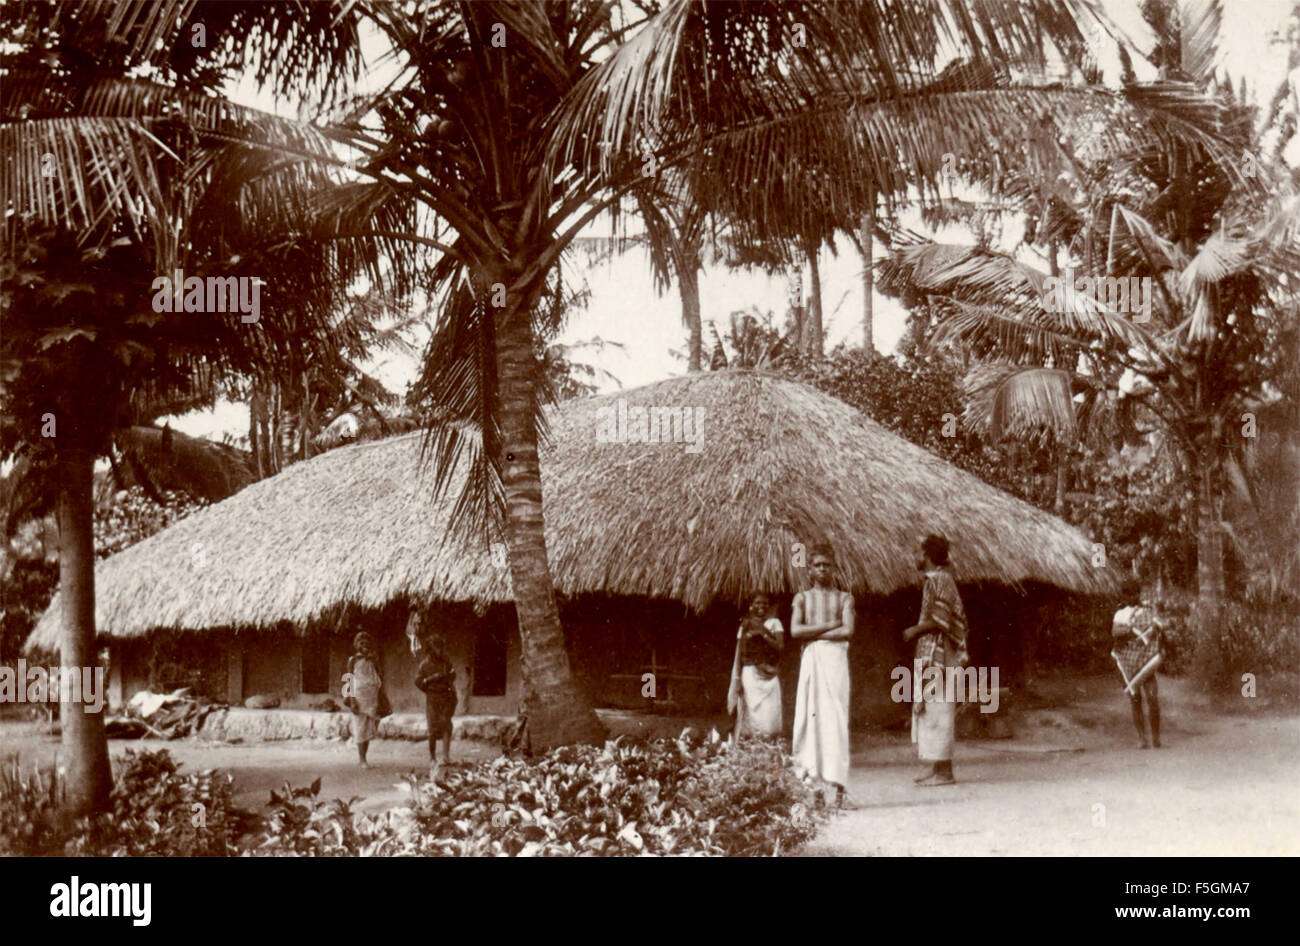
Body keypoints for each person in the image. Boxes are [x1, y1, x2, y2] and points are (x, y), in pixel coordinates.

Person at [791, 544, 856, 809]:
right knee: (810, 721)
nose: (822, 569)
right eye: (817, 565)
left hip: (835, 661)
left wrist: (813, 632)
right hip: (813, 661)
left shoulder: (845, 598)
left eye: (826, 565)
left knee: (836, 721)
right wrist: (831, 625)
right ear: (810, 569)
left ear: (833, 568)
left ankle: (839, 789)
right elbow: (796, 631)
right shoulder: (802, 598)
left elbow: (848, 631)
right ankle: (815, 790)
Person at [902, 533, 969, 787]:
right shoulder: (937, 580)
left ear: (928, 556)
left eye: (920, 552)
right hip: (934, 652)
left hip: (942, 654)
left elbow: (941, 619)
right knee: (932, 710)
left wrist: (914, 630)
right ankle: (936, 766)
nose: (917, 557)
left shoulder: (940, 580)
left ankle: (945, 773)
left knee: (940, 711)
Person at [1111, 578, 1163, 749]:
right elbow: (1115, 632)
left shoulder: (1148, 611)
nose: (1131, 597)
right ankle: (1142, 738)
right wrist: (1132, 629)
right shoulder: (1120, 614)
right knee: (1135, 699)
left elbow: (1157, 628)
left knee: (1152, 698)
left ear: (1138, 594)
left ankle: (1155, 738)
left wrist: (1144, 631)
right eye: (1127, 594)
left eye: (1134, 593)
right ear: (1124, 596)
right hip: (1129, 661)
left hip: (1146, 659)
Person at [726, 593, 784, 741]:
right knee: (751, 709)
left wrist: (761, 634)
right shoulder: (745, 625)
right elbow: (740, 652)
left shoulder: (775, 623)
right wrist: (737, 676)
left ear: (769, 606)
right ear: (751, 605)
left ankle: (769, 744)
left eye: (765, 603)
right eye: (757, 603)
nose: (761, 606)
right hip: (750, 671)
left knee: (770, 711)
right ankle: (752, 745)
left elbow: (779, 646)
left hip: (768, 672)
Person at [409, 612, 457, 772]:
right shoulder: (425, 665)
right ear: (431, 648)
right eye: (438, 647)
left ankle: (446, 755)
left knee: (446, 725)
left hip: (446, 696)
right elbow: (418, 682)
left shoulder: (446, 661)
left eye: (441, 647)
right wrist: (431, 680)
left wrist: (447, 676)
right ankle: (432, 757)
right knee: (432, 728)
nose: (440, 650)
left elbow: (453, 674)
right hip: (433, 698)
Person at [341, 631, 384, 768]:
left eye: (367, 642)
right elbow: (349, 679)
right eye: (361, 642)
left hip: (371, 697)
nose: (364, 644)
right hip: (358, 698)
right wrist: (352, 700)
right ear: (356, 645)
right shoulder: (352, 660)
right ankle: (362, 759)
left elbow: (379, 676)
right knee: (360, 728)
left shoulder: (373, 659)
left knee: (369, 728)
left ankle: (365, 757)